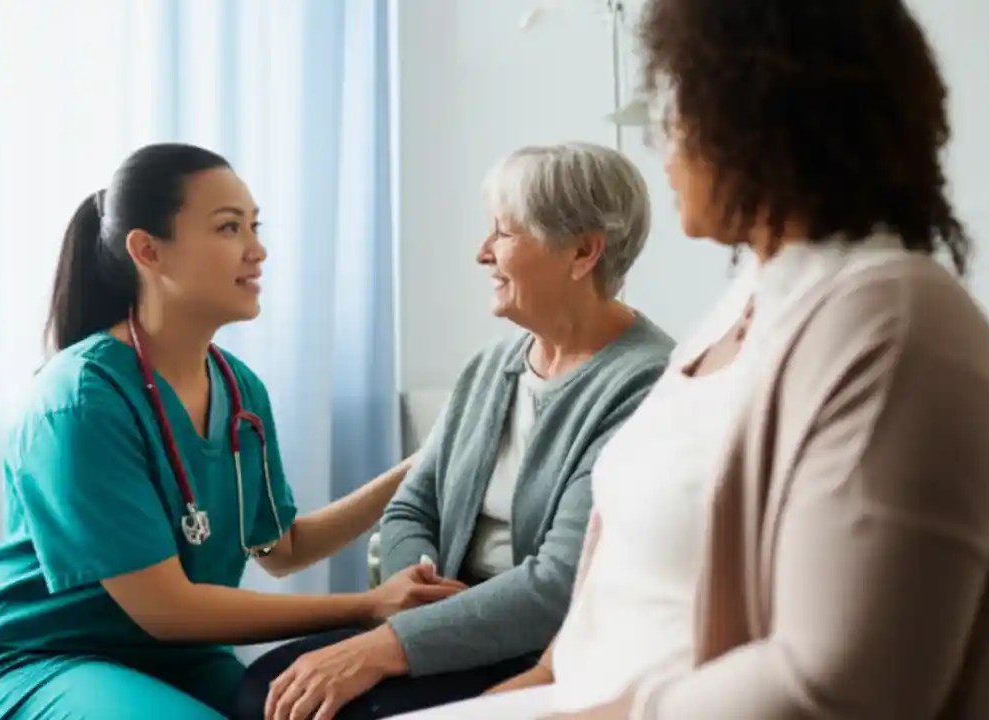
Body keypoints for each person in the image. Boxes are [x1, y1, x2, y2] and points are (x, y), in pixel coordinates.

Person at [408, 1, 989, 718]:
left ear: (758, 111)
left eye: (673, 104)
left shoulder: (895, 325)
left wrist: (579, 712)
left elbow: (842, 689)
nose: (659, 139)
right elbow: (616, 579)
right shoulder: (743, 305)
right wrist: (530, 691)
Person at [0, 143, 468, 720]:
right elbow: (165, 608)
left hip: (176, 658)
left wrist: (420, 466)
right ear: (147, 251)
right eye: (228, 228)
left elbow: (282, 547)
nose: (257, 250)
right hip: (41, 660)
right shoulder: (79, 400)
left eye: (254, 226)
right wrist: (367, 605)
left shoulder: (241, 393)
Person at [238, 142, 675, 720]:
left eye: (504, 233)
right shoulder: (490, 370)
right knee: (262, 690)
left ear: (583, 252)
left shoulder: (647, 385)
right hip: (447, 625)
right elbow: (411, 508)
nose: (482, 252)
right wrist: (414, 592)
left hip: (539, 649)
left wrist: (388, 646)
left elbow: (558, 583)